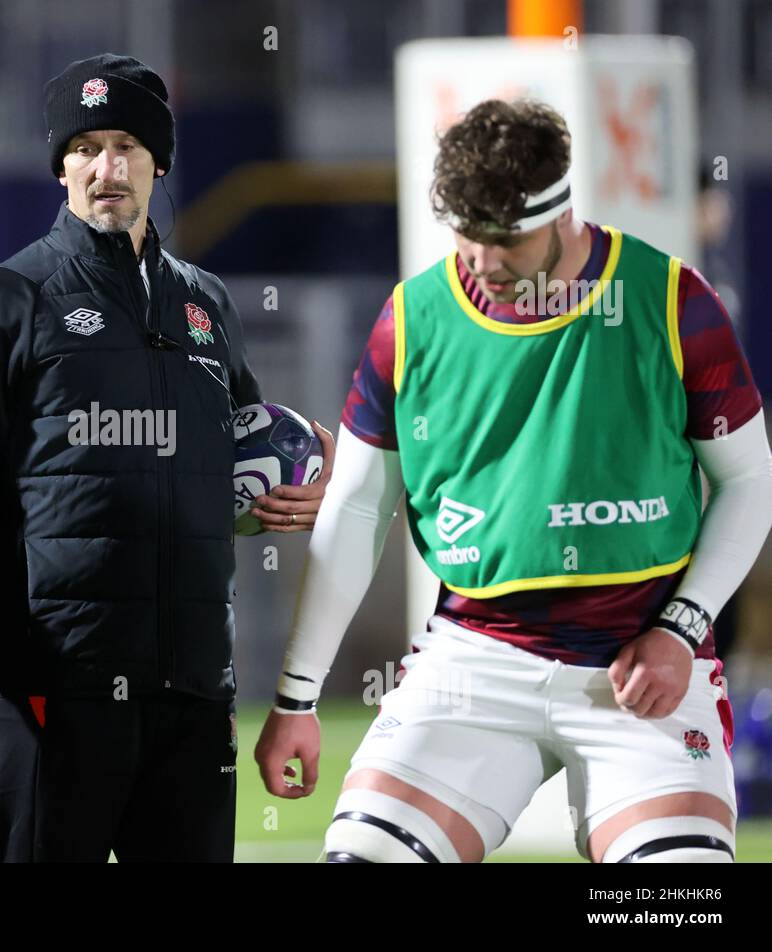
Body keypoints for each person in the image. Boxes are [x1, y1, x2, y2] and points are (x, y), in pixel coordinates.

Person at [255, 99, 772, 863]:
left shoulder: (672, 301)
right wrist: (298, 695)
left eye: (506, 238)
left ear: (561, 212)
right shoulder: (412, 319)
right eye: (467, 234)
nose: (484, 261)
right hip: (476, 659)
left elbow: (749, 481)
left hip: (645, 656)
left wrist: (681, 628)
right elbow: (359, 507)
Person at [0, 54, 334, 862]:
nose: (105, 168)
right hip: (56, 681)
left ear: (159, 163)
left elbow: (240, 455)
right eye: (84, 149)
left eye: (125, 147)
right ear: (61, 168)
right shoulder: (7, 298)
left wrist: (304, 489)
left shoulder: (207, 302)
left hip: (193, 686)